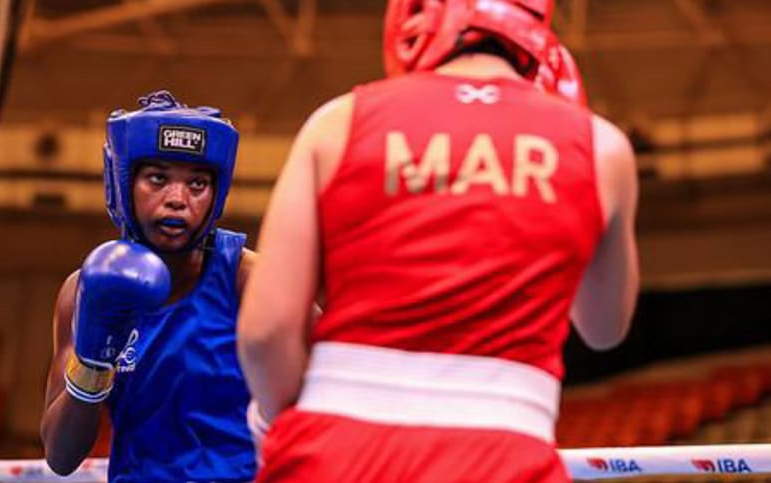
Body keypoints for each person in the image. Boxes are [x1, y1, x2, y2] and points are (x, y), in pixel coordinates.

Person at [237, 0, 640, 481]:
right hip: (505, 452)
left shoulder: (338, 122)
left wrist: (292, 423)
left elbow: (265, 332)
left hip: (337, 443)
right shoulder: (602, 147)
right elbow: (604, 328)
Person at [41, 90, 257, 483]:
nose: (177, 200)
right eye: (157, 179)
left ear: (216, 194)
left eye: (197, 184)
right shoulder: (84, 292)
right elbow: (60, 456)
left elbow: (334, 377)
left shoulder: (246, 277)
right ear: (124, 183)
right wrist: (94, 361)